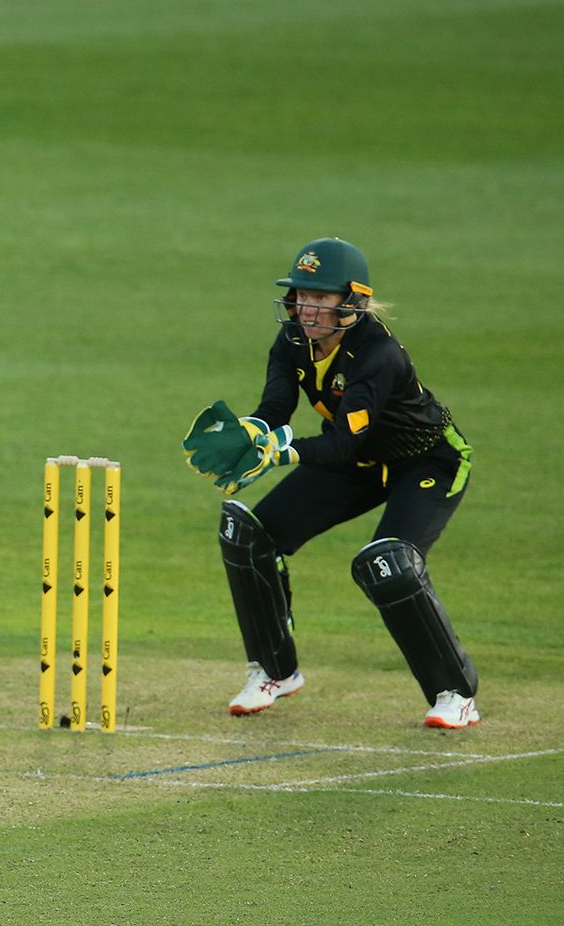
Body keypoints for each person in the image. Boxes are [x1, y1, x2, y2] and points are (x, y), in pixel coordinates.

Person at [182, 237, 478, 729]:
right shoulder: (292, 341)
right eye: (301, 295)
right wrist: (250, 435)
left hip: (426, 462)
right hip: (359, 462)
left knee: (391, 563)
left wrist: (283, 452)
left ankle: (455, 693)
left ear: (352, 301)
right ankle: (276, 672)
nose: (307, 308)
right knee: (249, 532)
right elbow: (275, 410)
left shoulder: (377, 354)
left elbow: (341, 443)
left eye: (321, 297)